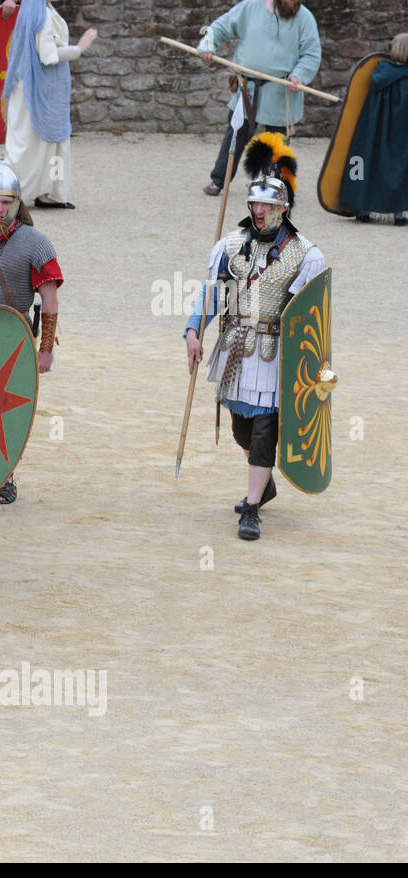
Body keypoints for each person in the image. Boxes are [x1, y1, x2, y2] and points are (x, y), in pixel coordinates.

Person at [184, 134, 326, 540]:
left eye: (267, 205)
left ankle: (251, 509)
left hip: (274, 351)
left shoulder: (305, 254)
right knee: (241, 430)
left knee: (265, 429)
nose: (259, 211)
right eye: (255, 204)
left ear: (283, 209)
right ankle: (263, 482)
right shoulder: (230, 246)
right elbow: (213, 294)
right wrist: (194, 330)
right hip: (234, 349)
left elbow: (309, 314)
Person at [0, 160, 61, 504]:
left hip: (16, 335)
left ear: (18, 204)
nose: (1, 209)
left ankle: (3, 478)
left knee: (4, 409)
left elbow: (49, 301)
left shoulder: (35, 243)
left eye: (7, 203)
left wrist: (46, 349)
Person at [197, 0, 321, 196]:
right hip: (248, 88)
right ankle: (219, 180)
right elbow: (220, 27)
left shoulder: (304, 18)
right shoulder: (250, 7)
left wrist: (299, 75)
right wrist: (208, 44)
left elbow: (311, 53)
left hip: (280, 90)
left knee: (276, 141)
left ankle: (272, 185)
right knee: (236, 134)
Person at [2, 0, 97, 210]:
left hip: (44, 89)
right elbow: (47, 55)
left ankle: (51, 193)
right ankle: (11, 190)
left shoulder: (39, 11)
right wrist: (79, 48)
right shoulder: (40, 16)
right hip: (38, 91)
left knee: (51, 144)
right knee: (31, 145)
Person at [341, 33, 408, 226]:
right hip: (401, 135)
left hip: (374, 131)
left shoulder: (380, 73)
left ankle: (363, 208)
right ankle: (398, 213)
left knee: (368, 163)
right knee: (399, 167)